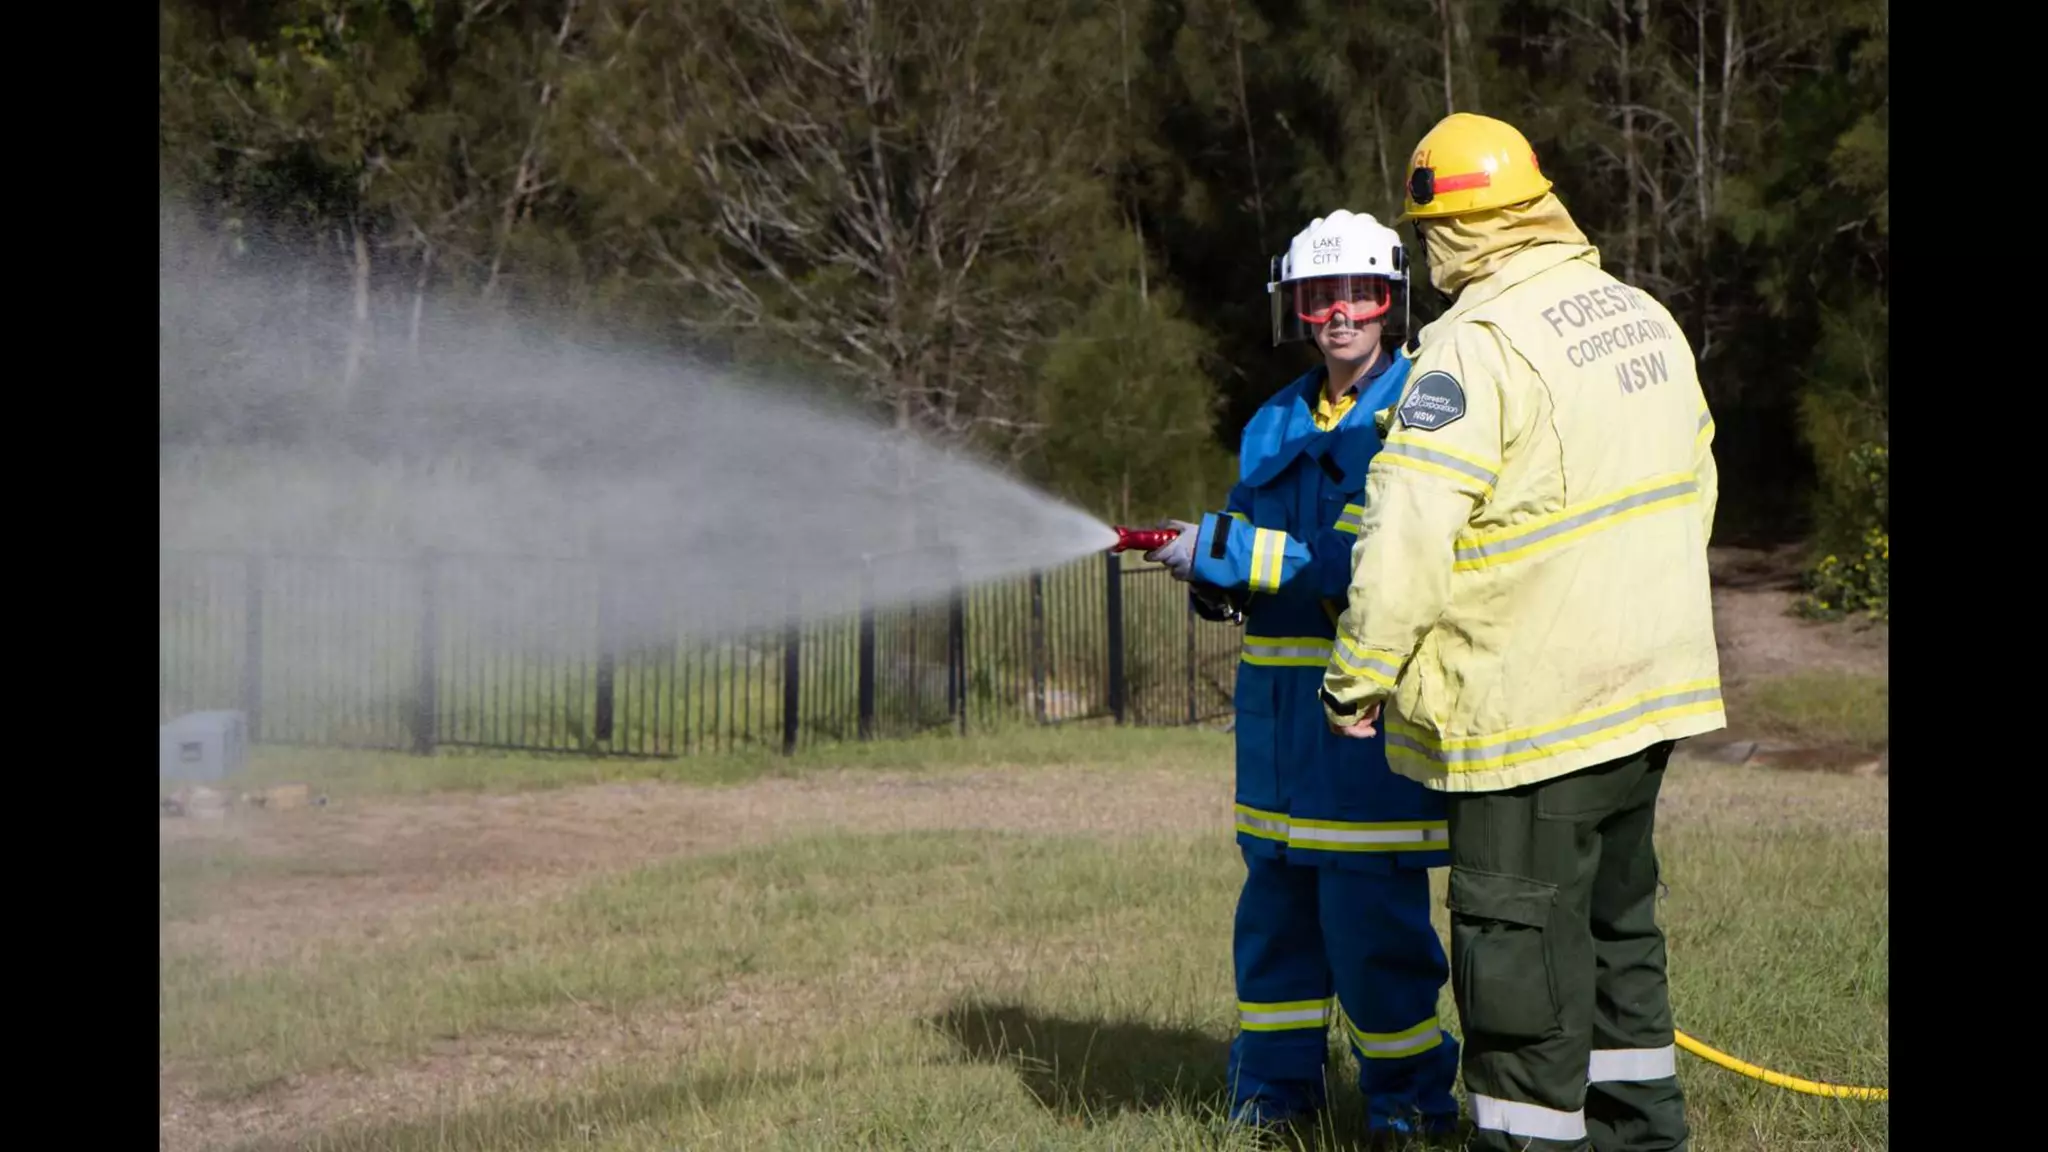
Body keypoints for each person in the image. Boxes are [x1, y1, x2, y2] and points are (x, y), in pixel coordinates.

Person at [1319, 112, 1724, 1152]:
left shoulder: (1472, 349)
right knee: (1613, 936)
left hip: (1529, 714)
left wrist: (1356, 680)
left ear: (1445, 234)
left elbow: (1406, 533)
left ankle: (1524, 1139)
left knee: (1515, 967)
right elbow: (1696, 482)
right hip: (1648, 695)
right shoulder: (1639, 315)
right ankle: (1639, 1137)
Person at [1145, 208, 1460, 1143]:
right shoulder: (1272, 421)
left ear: (1392, 301)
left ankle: (1409, 1105)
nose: (1339, 313)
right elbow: (1249, 561)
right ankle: (1276, 1099)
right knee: (1274, 928)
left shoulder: (1419, 411)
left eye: (1358, 293)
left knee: (1376, 939)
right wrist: (1209, 578)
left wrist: (1236, 551)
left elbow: (1364, 563)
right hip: (1275, 742)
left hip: (1361, 738)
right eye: (1319, 296)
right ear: (1296, 307)